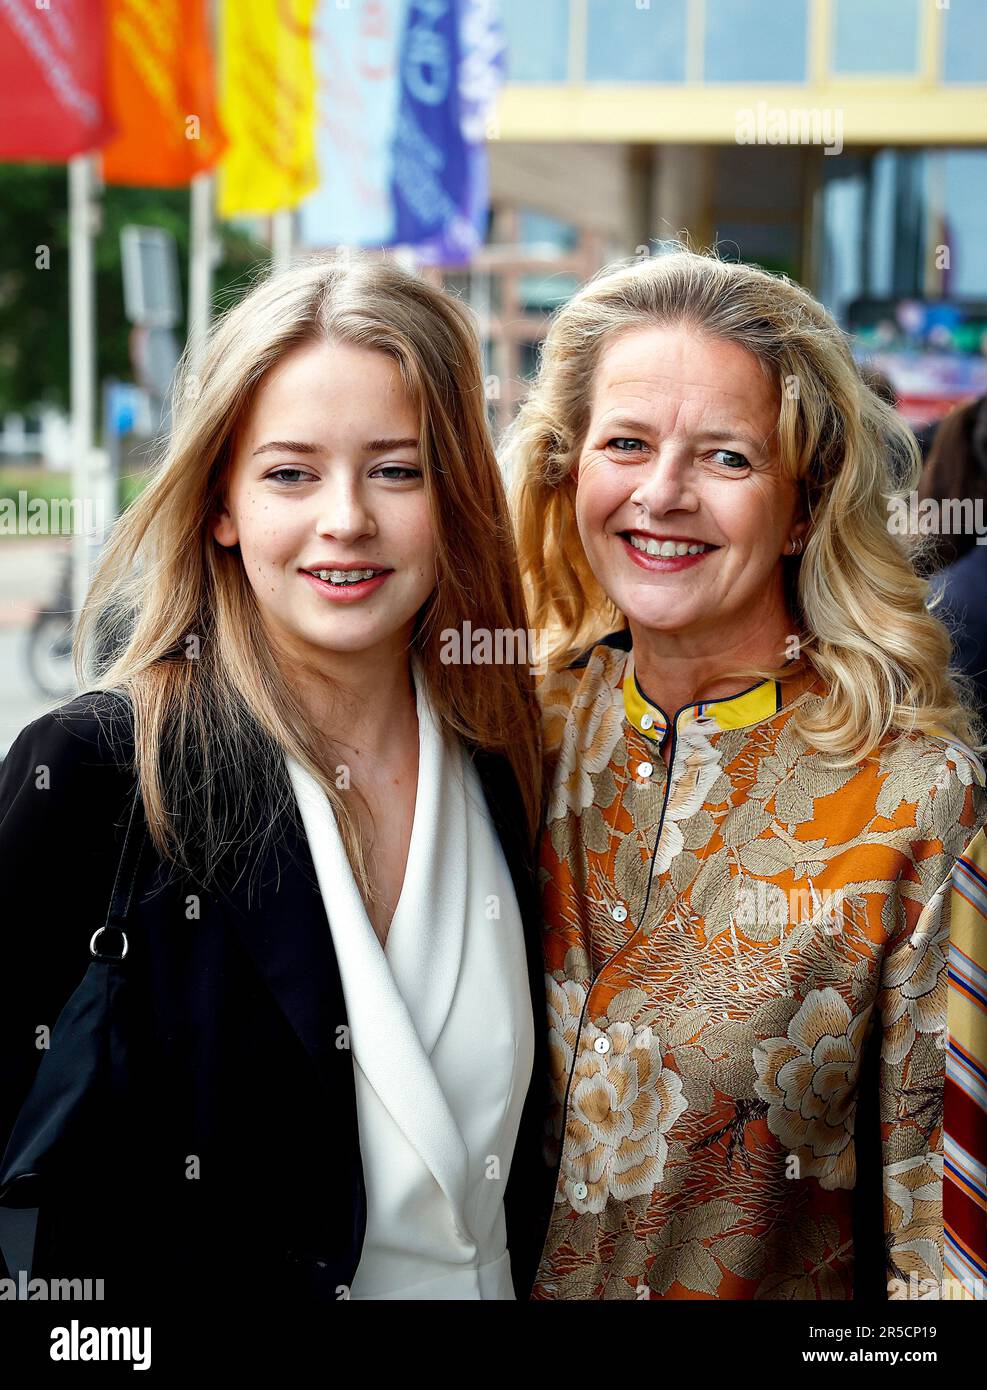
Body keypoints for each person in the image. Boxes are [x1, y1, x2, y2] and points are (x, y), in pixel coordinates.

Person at [0, 255, 554, 1314]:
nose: (345, 518)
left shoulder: (507, 756)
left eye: (396, 470)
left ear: (453, 497)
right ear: (220, 503)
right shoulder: (96, 770)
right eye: (291, 474)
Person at [504, 248, 987, 1300]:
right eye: (625, 444)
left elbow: (942, 1256)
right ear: (571, 470)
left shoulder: (919, 799)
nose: (663, 493)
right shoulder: (510, 738)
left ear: (804, 506)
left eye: (726, 458)